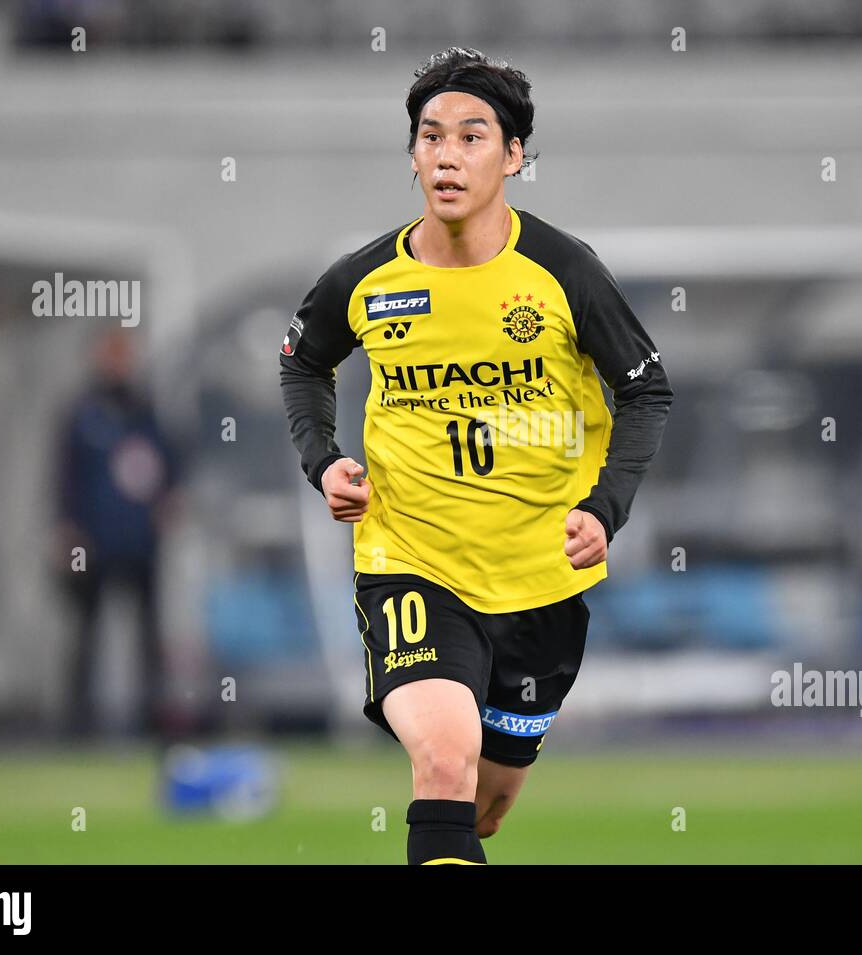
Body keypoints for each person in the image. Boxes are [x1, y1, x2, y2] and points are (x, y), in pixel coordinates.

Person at [279, 47, 673, 864]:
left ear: (514, 156)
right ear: (413, 153)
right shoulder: (367, 277)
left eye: (472, 136)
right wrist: (324, 461)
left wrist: (603, 509)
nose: (448, 155)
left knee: (485, 804)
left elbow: (646, 392)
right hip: (411, 558)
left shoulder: (564, 272)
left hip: (539, 581)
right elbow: (304, 360)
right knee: (444, 761)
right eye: (430, 136)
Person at [56, 330, 180, 739]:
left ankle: (152, 721)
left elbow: (170, 462)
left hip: (140, 541)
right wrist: (67, 529)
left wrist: (168, 502)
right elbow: (65, 478)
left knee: (148, 631)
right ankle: (78, 724)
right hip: (94, 542)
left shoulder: (145, 409)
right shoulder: (83, 412)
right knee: (86, 632)